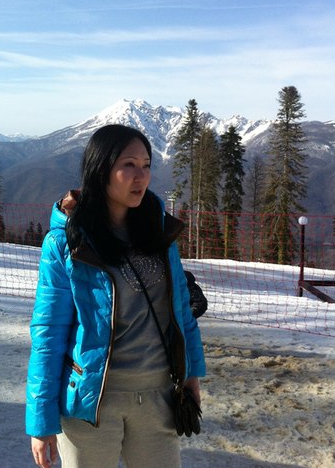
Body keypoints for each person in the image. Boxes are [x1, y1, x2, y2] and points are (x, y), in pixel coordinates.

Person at [25, 124, 206, 468]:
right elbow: (48, 333)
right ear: (101, 170)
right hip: (91, 404)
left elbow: (181, 311)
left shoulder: (159, 231)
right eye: (129, 165)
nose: (141, 176)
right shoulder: (66, 242)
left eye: (146, 165)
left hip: (159, 397)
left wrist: (192, 372)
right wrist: (40, 420)